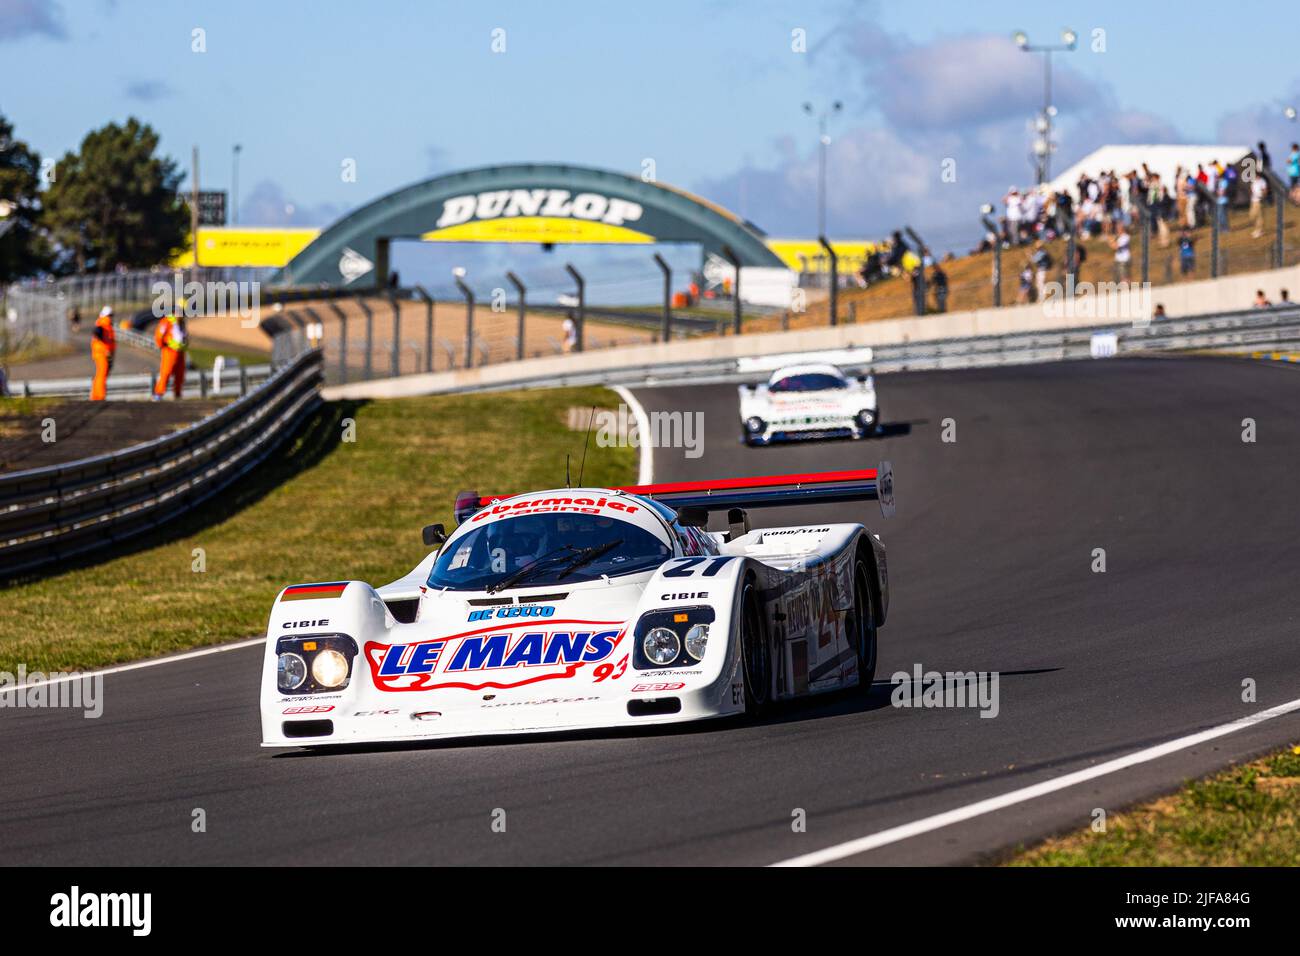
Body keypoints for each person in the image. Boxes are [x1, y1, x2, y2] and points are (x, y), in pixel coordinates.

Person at [152, 312, 188, 400]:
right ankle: (158, 394)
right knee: (166, 372)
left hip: (180, 351)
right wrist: (163, 345)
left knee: (180, 374)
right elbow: (159, 335)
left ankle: (177, 394)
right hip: (169, 351)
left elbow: (184, 336)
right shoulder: (168, 321)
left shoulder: (182, 322)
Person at [89, 305, 116, 401]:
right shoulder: (103, 323)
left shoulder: (105, 324)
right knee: (102, 374)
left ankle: (95, 395)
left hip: (103, 353)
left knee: (100, 374)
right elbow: (97, 333)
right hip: (101, 353)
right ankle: (100, 396)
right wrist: (105, 350)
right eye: (110, 315)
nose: (111, 317)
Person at [1250, 173, 1268, 238]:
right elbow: (1252, 188)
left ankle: (1259, 231)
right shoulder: (1253, 181)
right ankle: (1257, 229)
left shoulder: (1262, 181)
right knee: (1252, 215)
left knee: (1259, 216)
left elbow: (1265, 190)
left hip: (1259, 201)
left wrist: (1262, 197)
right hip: (1254, 200)